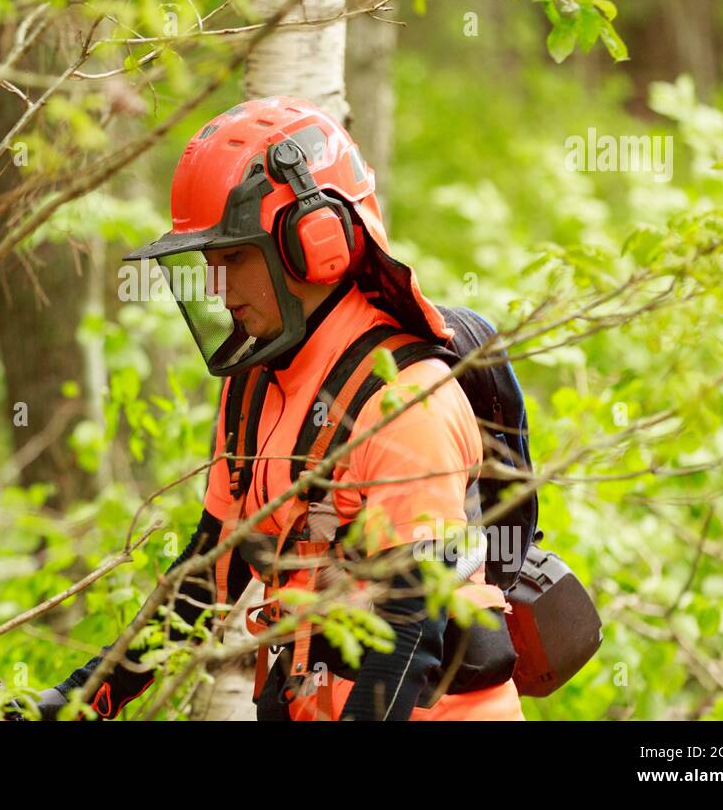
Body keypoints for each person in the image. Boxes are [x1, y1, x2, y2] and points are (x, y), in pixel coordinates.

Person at [31, 96, 524, 721]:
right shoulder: (256, 382)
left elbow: (410, 636)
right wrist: (81, 700)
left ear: (315, 241)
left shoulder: (404, 401)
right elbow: (207, 575)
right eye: (209, 264)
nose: (219, 288)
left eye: (234, 257)